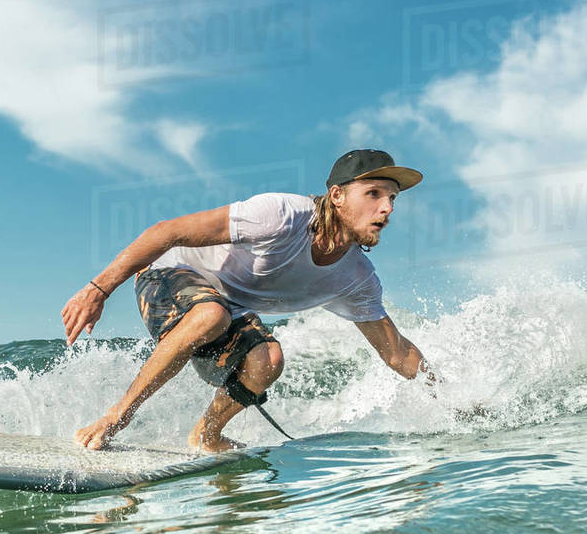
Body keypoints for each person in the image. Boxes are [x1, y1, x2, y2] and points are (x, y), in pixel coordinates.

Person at [61, 149, 435, 452]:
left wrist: (452, 399)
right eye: (373, 194)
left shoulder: (357, 278)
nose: (387, 208)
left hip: (225, 307)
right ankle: (116, 417)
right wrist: (98, 290)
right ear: (337, 196)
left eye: (392, 198)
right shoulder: (282, 216)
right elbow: (166, 232)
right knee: (211, 315)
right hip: (165, 274)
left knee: (267, 360)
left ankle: (206, 436)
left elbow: (397, 352)